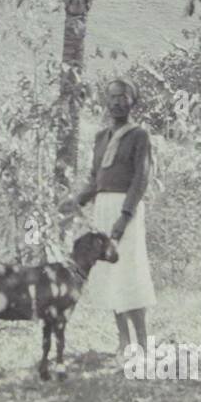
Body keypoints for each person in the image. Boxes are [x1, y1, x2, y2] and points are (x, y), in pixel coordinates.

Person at [60, 78, 156, 359]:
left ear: (133, 100)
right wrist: (76, 201)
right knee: (111, 273)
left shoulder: (139, 135)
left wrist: (125, 216)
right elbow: (95, 179)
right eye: (112, 97)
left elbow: (141, 178)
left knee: (130, 270)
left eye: (123, 96)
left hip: (126, 207)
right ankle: (124, 341)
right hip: (103, 207)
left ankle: (144, 343)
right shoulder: (101, 137)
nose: (117, 102)